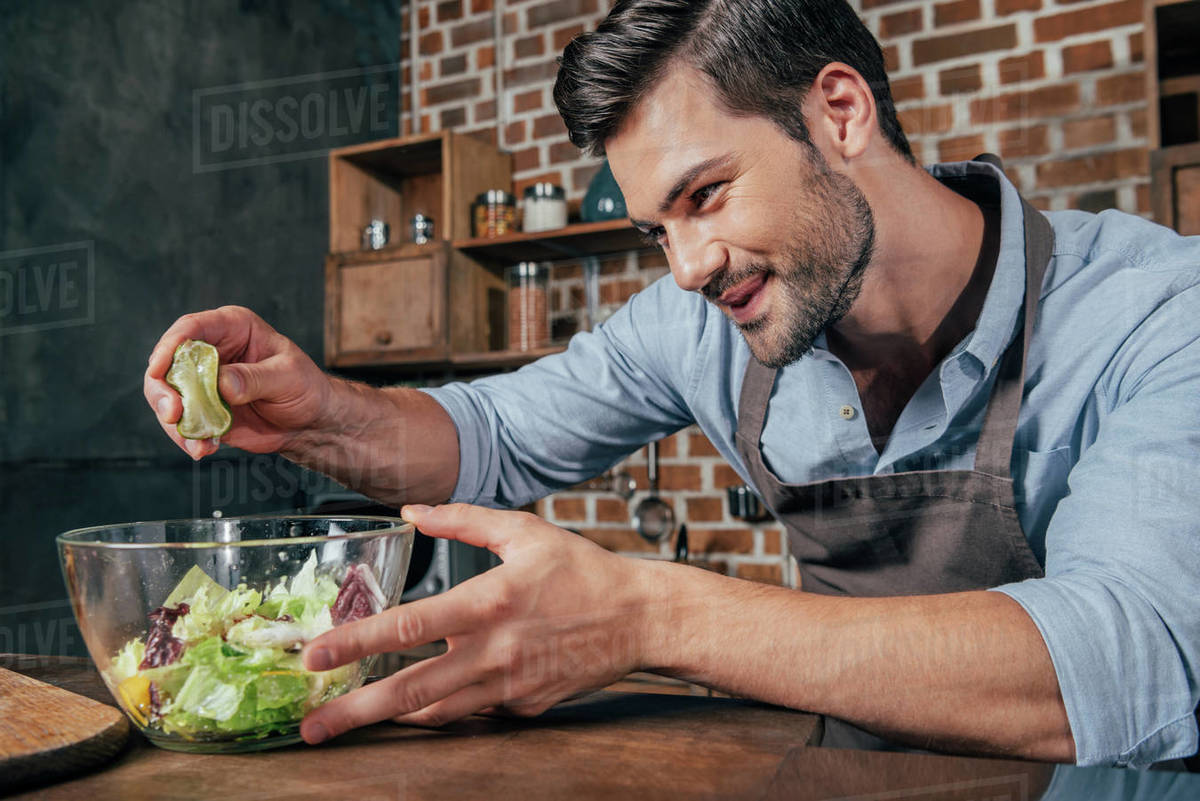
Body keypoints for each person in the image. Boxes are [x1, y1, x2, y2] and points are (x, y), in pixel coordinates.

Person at [144, 0, 1200, 768]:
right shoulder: (702, 323)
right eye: (658, 228)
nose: (687, 267)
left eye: (707, 195)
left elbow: (1131, 653)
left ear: (840, 111)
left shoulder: (1154, 313)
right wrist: (318, 413)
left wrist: (645, 616)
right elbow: (490, 438)